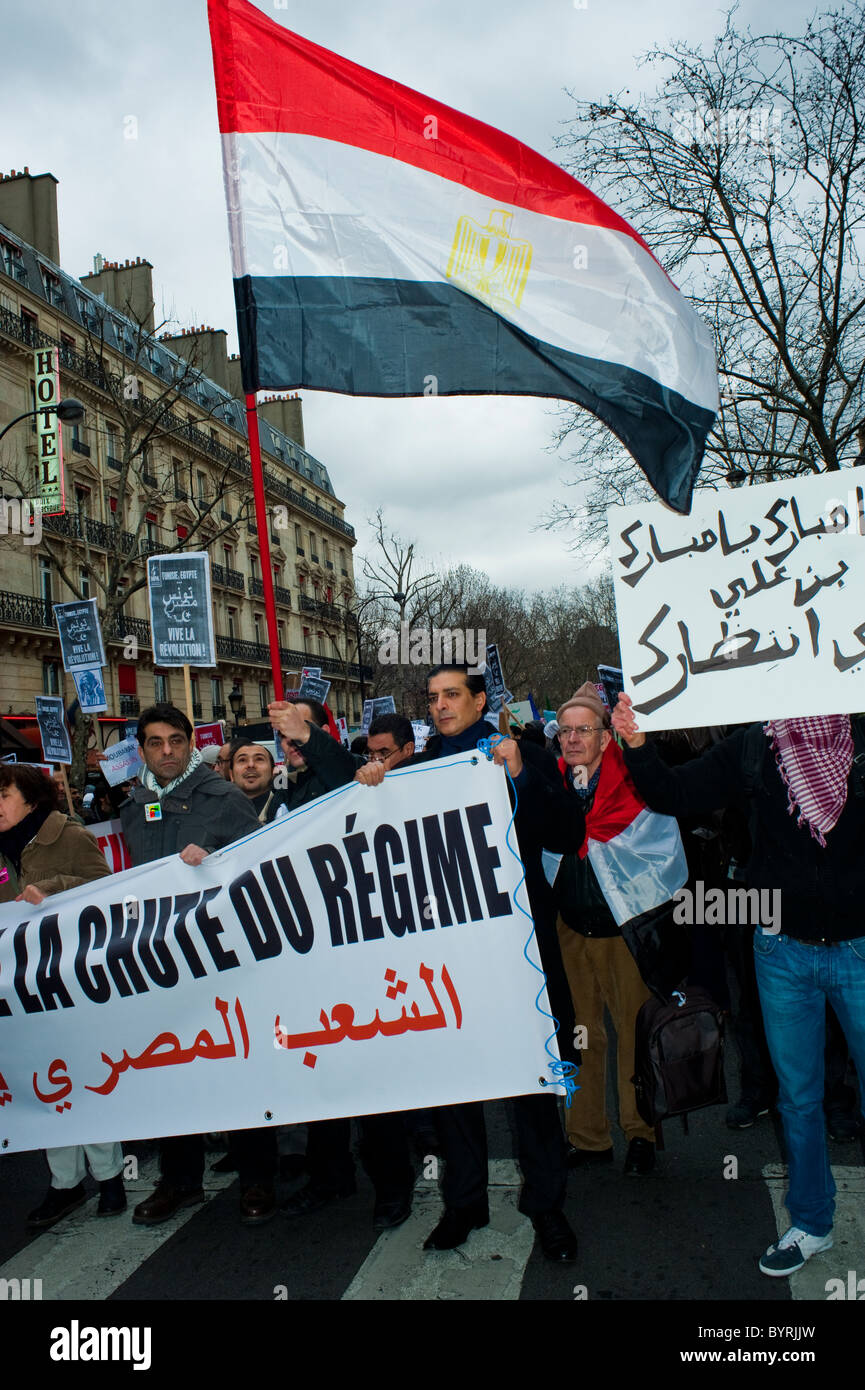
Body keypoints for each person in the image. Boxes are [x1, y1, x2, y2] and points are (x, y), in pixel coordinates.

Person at [612, 694, 865, 1277]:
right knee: (798, 1098)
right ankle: (811, 1222)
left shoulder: (859, 734)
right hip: (782, 951)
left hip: (858, 945)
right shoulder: (758, 744)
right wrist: (638, 744)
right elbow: (674, 794)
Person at [357, 664, 580, 1261]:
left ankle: (547, 1207)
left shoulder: (519, 753)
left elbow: (565, 829)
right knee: (455, 1082)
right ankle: (464, 1203)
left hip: (518, 949)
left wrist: (518, 773)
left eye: (451, 695)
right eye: (432, 699)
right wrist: (373, 787)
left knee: (529, 1083)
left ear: (480, 700)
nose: (440, 706)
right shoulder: (418, 771)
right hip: (450, 955)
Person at [266, 698, 416, 1230]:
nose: (291, 745)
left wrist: (308, 734)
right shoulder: (280, 794)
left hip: (362, 951)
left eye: (299, 735)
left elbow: (337, 772)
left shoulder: (354, 780)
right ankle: (330, 1176)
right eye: (284, 737)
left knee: (373, 1078)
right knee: (319, 1072)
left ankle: (392, 1187)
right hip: (307, 957)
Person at [119, 704, 267, 1226]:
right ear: (141, 749)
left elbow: (257, 873)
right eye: (155, 742)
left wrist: (214, 867)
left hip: (219, 959)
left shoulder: (224, 798)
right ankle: (180, 1182)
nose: (166, 751)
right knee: (170, 1072)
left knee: (236, 1069)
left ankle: (256, 1179)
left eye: (175, 741)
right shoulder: (134, 806)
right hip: (161, 963)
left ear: (189, 743)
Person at [0, 764, 124, 1228]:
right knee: (45, 1084)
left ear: (30, 798)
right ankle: (64, 1184)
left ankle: (110, 1176)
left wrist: (52, 890)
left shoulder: (68, 836)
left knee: (88, 1079)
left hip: (72, 982)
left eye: (3, 794)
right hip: (21, 992)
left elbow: (105, 890)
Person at [546, 684, 659, 1176]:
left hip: (623, 931)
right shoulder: (549, 786)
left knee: (634, 1032)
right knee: (583, 1035)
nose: (572, 739)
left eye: (583, 730)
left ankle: (641, 1134)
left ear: (606, 738)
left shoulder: (633, 783)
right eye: (565, 731)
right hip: (571, 928)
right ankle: (588, 1136)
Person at [229, 738, 288, 823]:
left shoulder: (287, 808)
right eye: (242, 760)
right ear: (231, 775)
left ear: (272, 771)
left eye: (259, 759)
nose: (251, 765)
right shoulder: (219, 815)